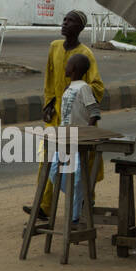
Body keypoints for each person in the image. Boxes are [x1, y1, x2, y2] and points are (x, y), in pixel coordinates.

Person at [32, 11, 104, 218]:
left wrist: (81, 96)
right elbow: (49, 78)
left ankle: (84, 203)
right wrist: (49, 104)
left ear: (79, 28)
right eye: (64, 19)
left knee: (81, 165)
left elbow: (97, 86)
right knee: (47, 159)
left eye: (70, 21)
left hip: (79, 120)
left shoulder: (85, 54)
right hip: (56, 116)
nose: (65, 23)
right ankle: (44, 206)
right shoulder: (54, 47)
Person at [48, 52, 102, 224]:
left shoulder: (84, 88)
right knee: (54, 170)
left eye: (68, 64)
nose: (65, 67)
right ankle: (78, 198)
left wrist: (86, 132)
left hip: (78, 141)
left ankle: (75, 215)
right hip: (64, 139)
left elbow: (94, 112)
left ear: (75, 69)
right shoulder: (68, 88)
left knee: (77, 175)